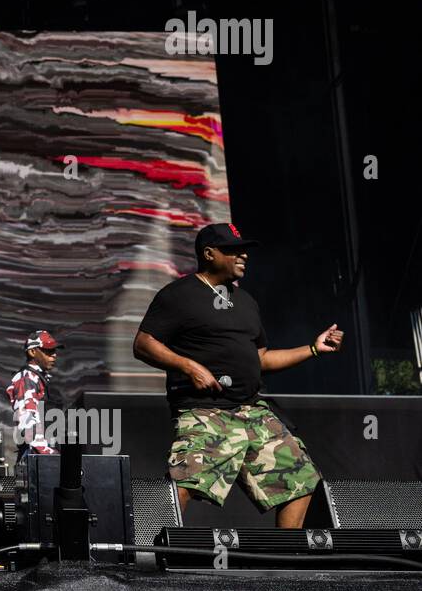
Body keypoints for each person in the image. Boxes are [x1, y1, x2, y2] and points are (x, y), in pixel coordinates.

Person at [133, 223, 343, 529]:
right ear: (209, 254)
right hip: (205, 411)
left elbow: (261, 359)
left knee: (301, 480)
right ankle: (145, 559)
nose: (243, 255)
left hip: (251, 409)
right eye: (233, 250)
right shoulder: (179, 295)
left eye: (243, 250)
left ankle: (285, 562)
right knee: (184, 481)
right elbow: (143, 344)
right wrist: (189, 366)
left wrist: (312, 348)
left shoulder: (245, 301)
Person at [5, 330, 64, 459]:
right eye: (48, 351)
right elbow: (27, 420)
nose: (54, 355)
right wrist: (48, 453)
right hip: (37, 455)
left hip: (44, 453)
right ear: (32, 352)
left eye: (54, 351)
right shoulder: (28, 379)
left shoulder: (38, 378)